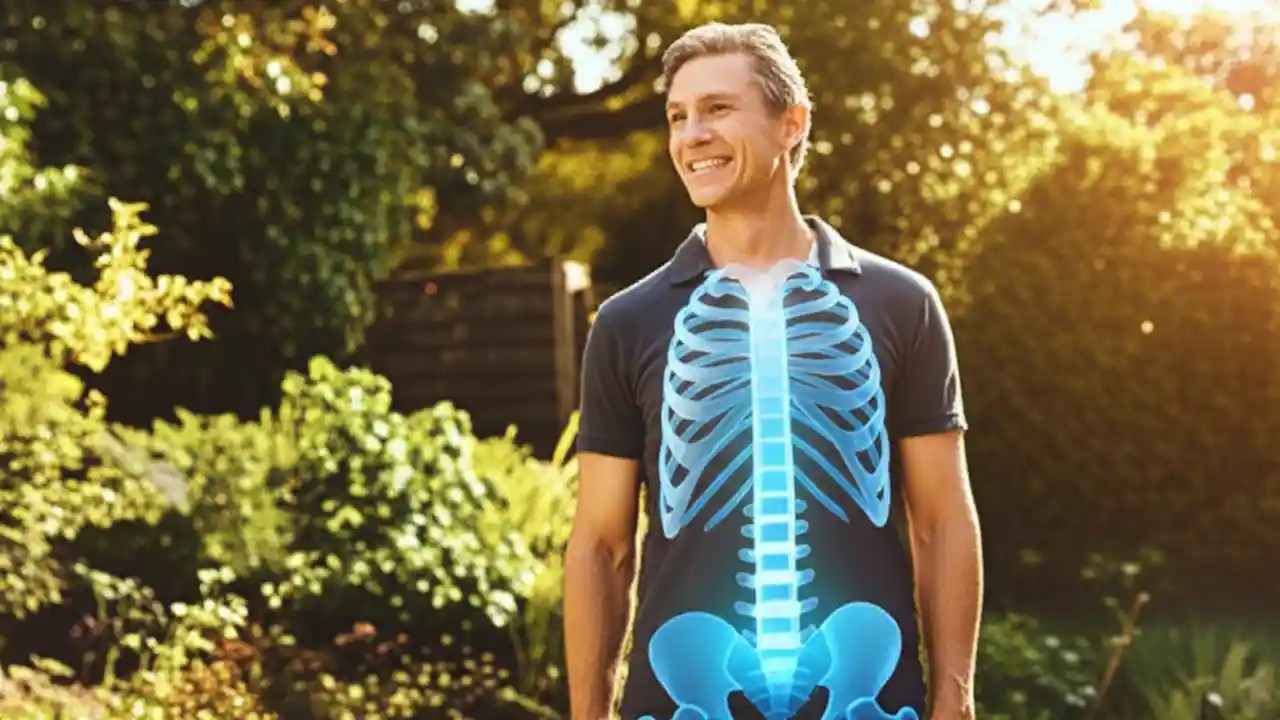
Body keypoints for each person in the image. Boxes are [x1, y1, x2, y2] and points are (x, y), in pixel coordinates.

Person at [563, 21, 982, 720]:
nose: (693, 135)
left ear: (792, 123)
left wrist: (954, 698)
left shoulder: (901, 303)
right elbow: (601, 545)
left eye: (717, 109)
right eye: (678, 116)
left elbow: (942, 521)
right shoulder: (627, 321)